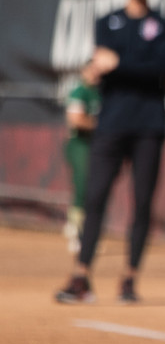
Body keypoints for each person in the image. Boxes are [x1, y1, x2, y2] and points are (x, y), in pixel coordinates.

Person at [56, 0, 165, 306]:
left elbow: (160, 71)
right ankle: (81, 276)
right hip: (111, 124)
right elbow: (109, 68)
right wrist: (128, 69)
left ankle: (129, 279)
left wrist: (118, 65)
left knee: (142, 204)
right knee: (94, 198)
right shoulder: (107, 22)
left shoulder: (164, 27)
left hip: (149, 126)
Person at [61, 73, 101, 255]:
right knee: (82, 187)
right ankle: (77, 234)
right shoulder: (79, 92)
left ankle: (86, 233)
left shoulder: (103, 92)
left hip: (98, 146)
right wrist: (100, 125)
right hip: (80, 145)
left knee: (97, 190)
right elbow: (76, 119)